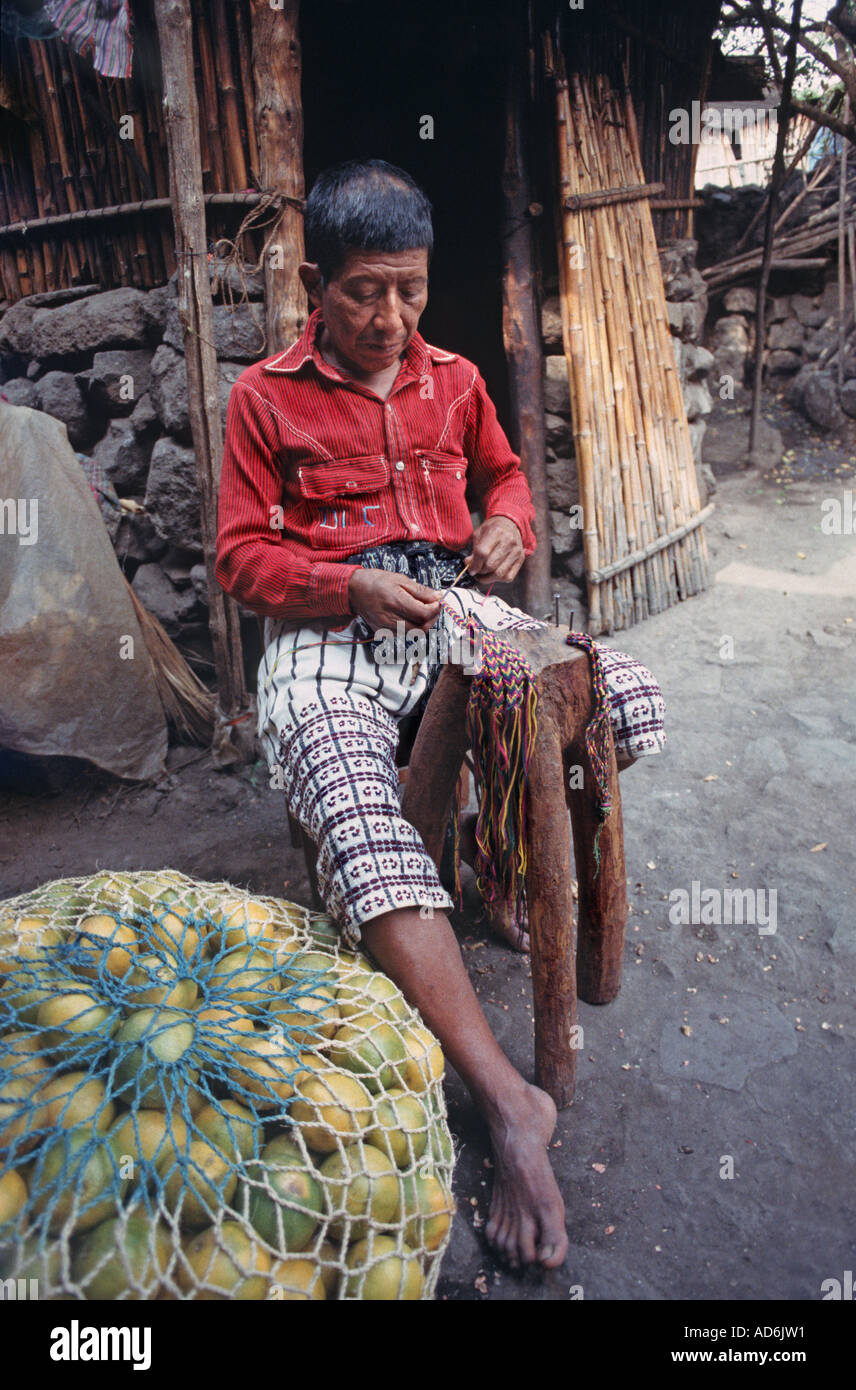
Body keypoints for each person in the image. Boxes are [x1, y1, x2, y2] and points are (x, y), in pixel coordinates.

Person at [216, 158, 665, 1270]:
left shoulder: (455, 378)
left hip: (449, 612)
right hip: (329, 634)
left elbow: (506, 480)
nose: (390, 315)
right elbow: (237, 553)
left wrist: (509, 524)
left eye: (410, 288)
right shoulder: (263, 396)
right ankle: (508, 1100)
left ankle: (494, 864)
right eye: (366, 290)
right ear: (316, 281)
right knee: (363, 829)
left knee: (625, 705)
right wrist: (343, 583)